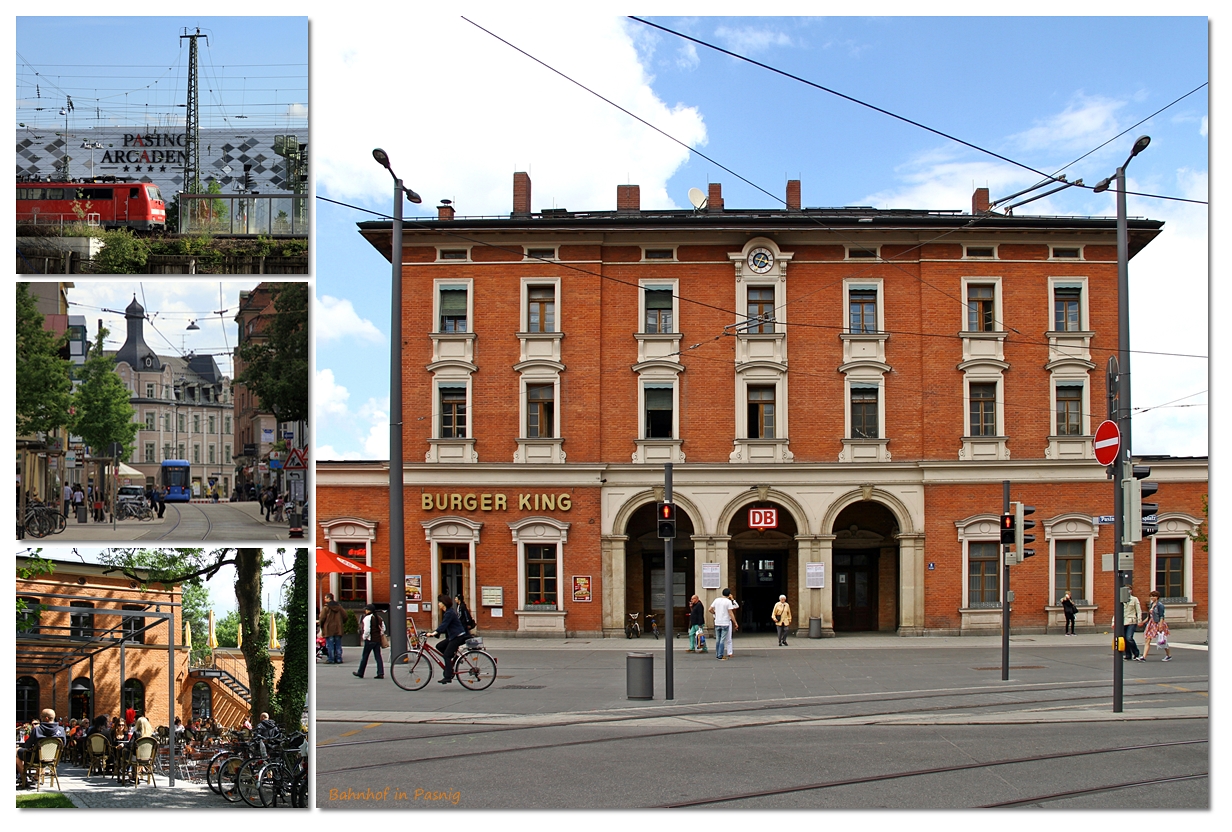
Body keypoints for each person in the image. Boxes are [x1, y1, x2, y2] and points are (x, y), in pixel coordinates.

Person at [17, 708, 66, 789]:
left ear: (46, 718)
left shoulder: (37, 729)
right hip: (53, 758)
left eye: (41, 716)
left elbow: (27, 745)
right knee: (41, 753)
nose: (40, 718)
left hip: (36, 758)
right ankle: (36, 777)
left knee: (16, 752)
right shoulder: (61, 730)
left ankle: (23, 778)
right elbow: (63, 744)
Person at [433, 594, 470, 684]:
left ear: (444, 603)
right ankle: (455, 658)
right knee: (439, 646)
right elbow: (445, 626)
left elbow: (444, 625)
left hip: (458, 636)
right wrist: (437, 633)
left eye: (440, 602)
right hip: (454, 636)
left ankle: (448, 676)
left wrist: (434, 632)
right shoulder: (448, 612)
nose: (438, 604)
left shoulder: (449, 613)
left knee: (446, 655)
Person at [353, 604, 385, 679]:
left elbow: (367, 630)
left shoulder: (367, 618)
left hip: (370, 640)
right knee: (378, 656)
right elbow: (383, 628)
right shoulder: (379, 617)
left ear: (369, 610)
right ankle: (380, 672)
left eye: (366, 609)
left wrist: (364, 637)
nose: (365, 610)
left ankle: (360, 672)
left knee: (365, 656)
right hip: (377, 640)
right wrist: (380, 634)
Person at [1142, 590, 1173, 661]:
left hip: (1158, 623)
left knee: (1162, 640)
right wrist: (1143, 622)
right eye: (1151, 596)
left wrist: (1160, 625)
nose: (1152, 598)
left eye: (1154, 596)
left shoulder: (1160, 605)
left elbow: (1161, 616)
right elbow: (1149, 616)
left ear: (1157, 597)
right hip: (1151, 623)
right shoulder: (1151, 604)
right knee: (1148, 639)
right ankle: (1144, 657)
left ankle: (1168, 655)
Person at [709, 588, 739, 661]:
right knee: (722, 639)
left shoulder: (716, 600)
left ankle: (717, 654)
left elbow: (710, 609)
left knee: (718, 639)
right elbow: (731, 613)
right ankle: (720, 655)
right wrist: (735, 622)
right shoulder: (728, 602)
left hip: (717, 622)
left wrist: (715, 613)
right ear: (729, 595)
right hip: (725, 622)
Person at [318, 592, 347, 663]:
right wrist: (340, 623)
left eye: (325, 598)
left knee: (330, 645)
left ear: (329, 598)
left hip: (329, 629)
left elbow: (322, 618)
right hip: (338, 629)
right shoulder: (339, 607)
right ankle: (339, 658)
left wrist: (321, 625)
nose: (324, 599)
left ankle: (331, 659)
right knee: (338, 644)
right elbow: (345, 616)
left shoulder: (326, 608)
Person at [1123, 584, 1144, 662]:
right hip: (1123, 621)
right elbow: (1117, 611)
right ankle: (1128, 655)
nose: (1128, 591)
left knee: (1129, 638)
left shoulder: (1134, 599)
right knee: (1124, 638)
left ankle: (1136, 653)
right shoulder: (1121, 599)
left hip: (1131, 621)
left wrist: (1140, 620)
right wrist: (1113, 622)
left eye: (1129, 589)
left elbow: (1138, 611)